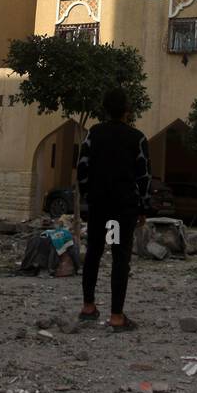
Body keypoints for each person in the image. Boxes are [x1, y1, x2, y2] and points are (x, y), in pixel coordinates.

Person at [77, 88, 152, 331]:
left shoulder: (93, 134)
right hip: (123, 208)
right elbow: (144, 176)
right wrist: (143, 207)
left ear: (105, 110)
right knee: (120, 257)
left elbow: (82, 167)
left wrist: (87, 197)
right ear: (128, 111)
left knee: (94, 253)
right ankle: (117, 316)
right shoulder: (137, 138)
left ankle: (88, 306)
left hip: (99, 205)